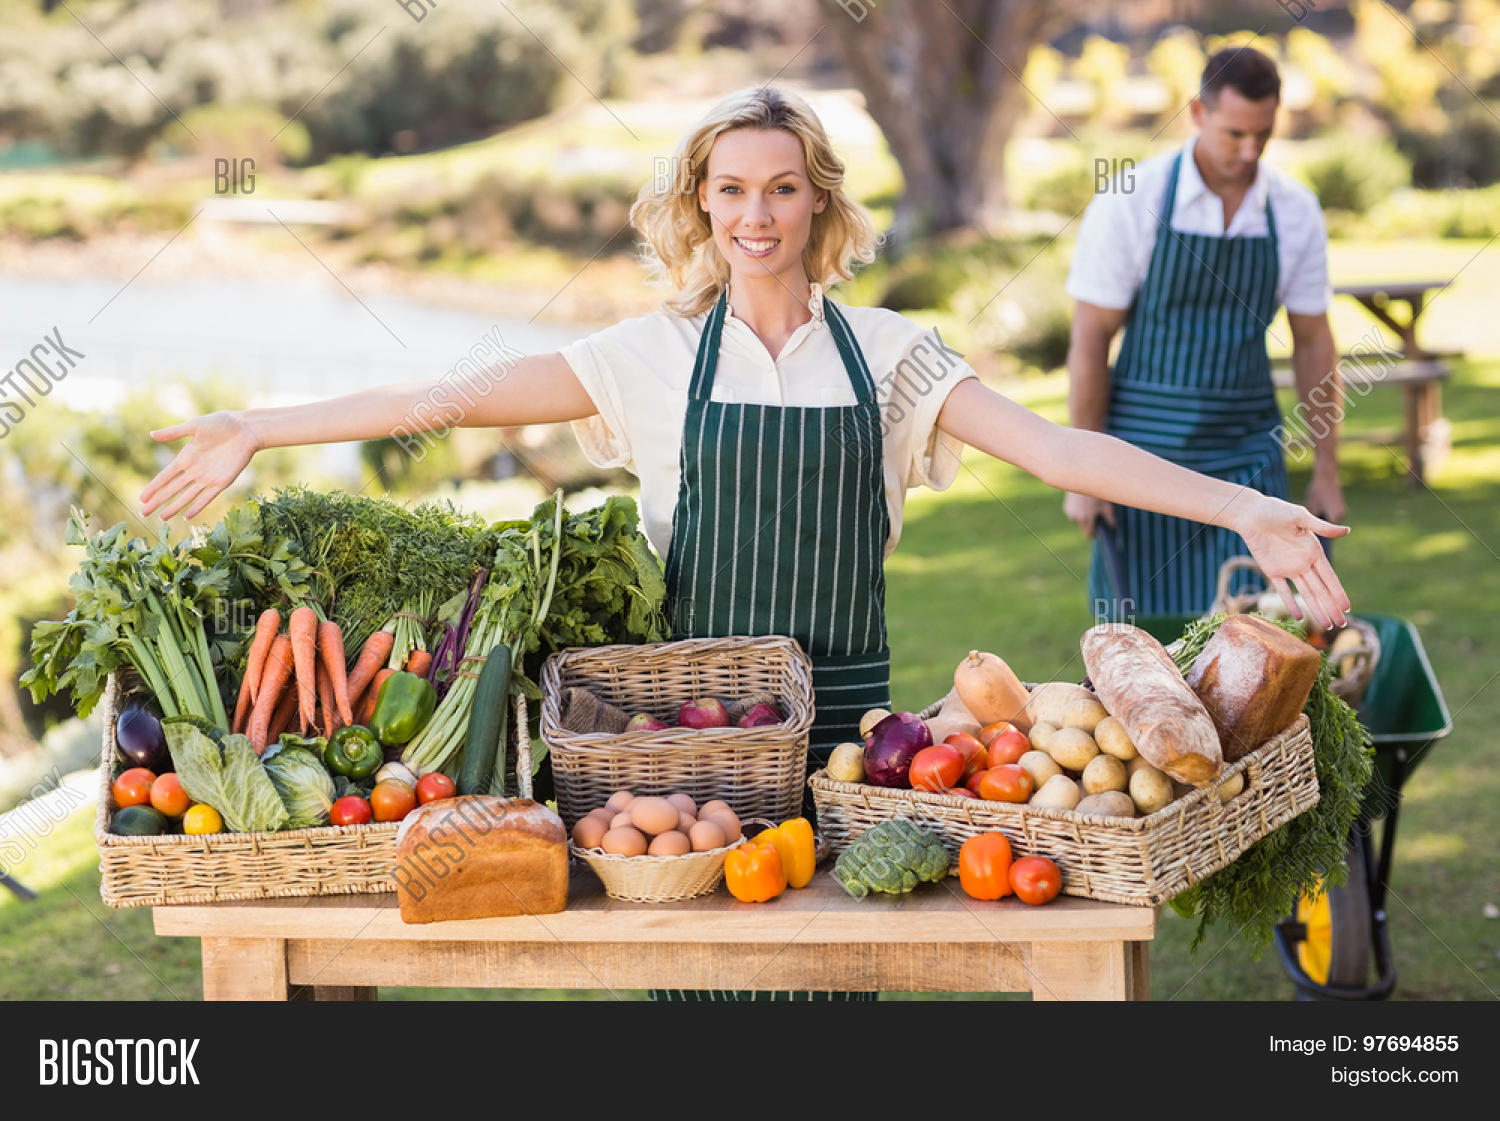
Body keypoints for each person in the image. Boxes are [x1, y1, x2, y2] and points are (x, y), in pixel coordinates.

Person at [139, 84, 1348, 996]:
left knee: (828, 988)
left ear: (816, 196)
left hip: (849, 753)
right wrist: (260, 425)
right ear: (699, 204)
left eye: (779, 186)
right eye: (729, 188)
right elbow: (451, 395)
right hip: (686, 752)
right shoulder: (658, 353)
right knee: (699, 986)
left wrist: (1241, 504)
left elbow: (1060, 449)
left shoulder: (886, 353)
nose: (754, 213)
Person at [1063, 46, 1345, 618]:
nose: (1248, 152)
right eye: (1234, 133)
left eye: (1261, 137)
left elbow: (1314, 342)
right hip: (1141, 462)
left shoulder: (1293, 210)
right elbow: (1091, 340)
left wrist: (1327, 470)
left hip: (1248, 457)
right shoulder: (1133, 201)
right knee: (1141, 647)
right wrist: (1084, 476)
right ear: (1197, 111)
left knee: (1260, 639)